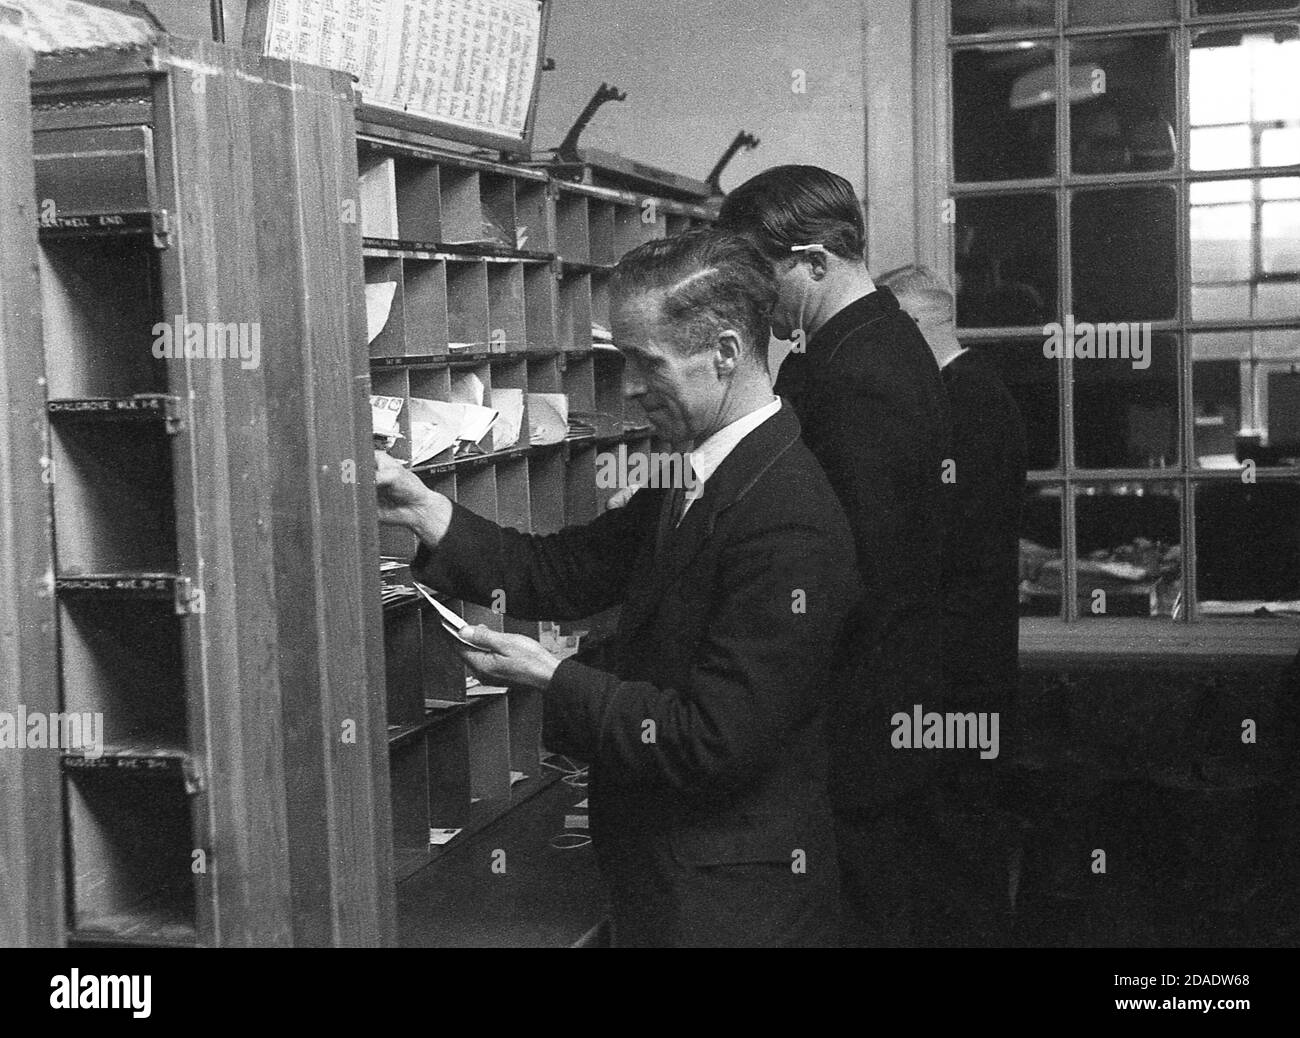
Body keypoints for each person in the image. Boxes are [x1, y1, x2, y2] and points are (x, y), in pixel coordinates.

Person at [375, 229, 860, 948]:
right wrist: (422, 506)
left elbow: (712, 739)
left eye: (644, 362)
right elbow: (563, 571)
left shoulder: (787, 517)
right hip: (677, 877)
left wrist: (553, 675)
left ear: (725, 352)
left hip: (731, 903)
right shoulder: (701, 468)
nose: (628, 388)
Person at [718, 166, 950, 946]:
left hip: (862, 712)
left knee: (865, 916)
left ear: (814, 262)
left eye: (761, 275)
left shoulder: (863, 373)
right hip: (873, 705)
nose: (754, 297)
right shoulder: (863, 346)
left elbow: (857, 568)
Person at [878, 263, 1029, 946]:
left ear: (912, 326)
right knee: (957, 847)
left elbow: (933, 541)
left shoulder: (960, 403)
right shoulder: (976, 392)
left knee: (957, 851)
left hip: (958, 667)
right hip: (971, 658)